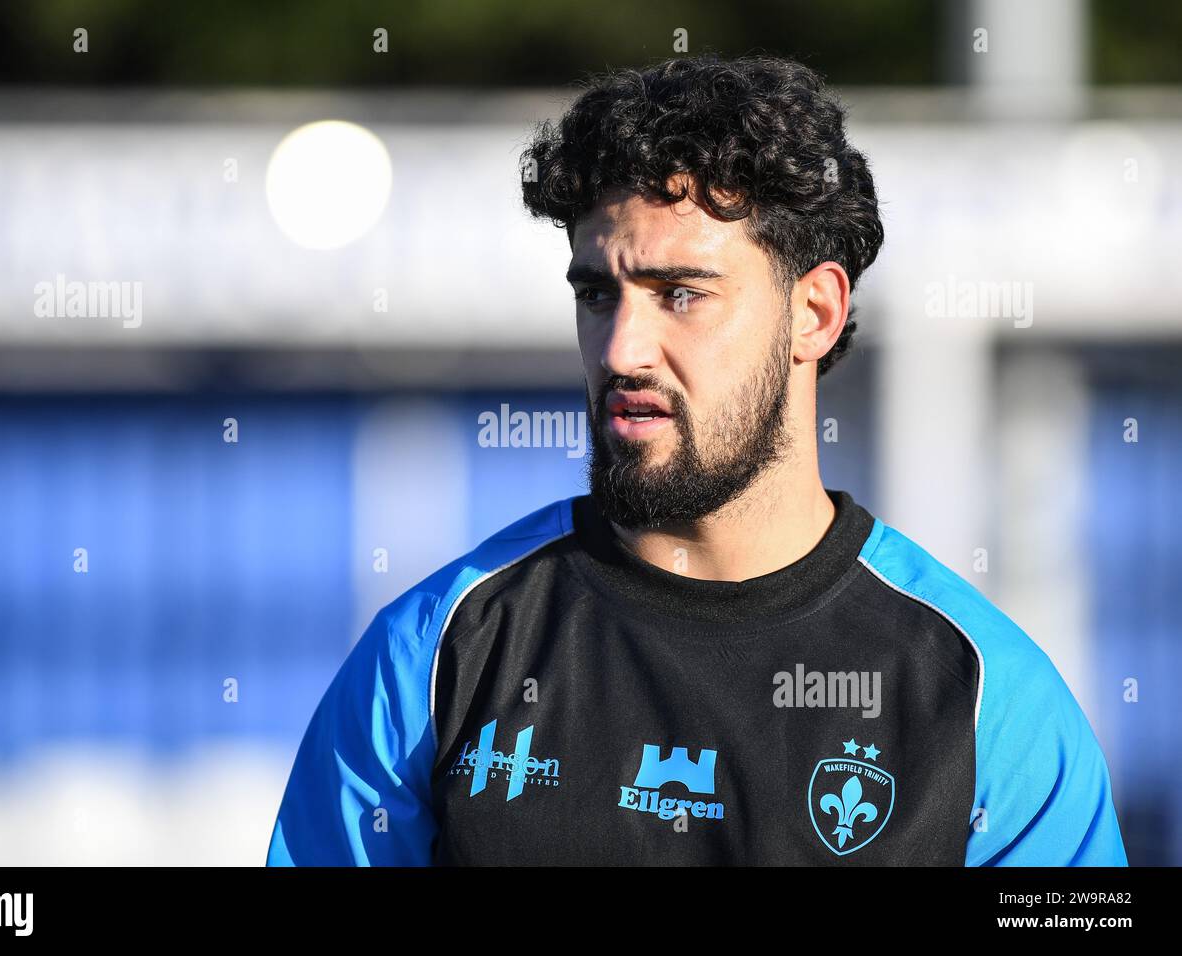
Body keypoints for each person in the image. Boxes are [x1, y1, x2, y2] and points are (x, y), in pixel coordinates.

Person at [267, 53, 1127, 866]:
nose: (623, 349)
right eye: (598, 294)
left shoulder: (986, 702)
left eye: (681, 294)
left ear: (814, 312)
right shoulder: (435, 657)